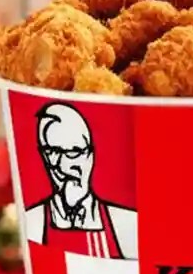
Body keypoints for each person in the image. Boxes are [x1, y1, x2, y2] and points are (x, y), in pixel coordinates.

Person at [24, 103, 137, 259]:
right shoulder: (33, 222)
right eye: (54, 152)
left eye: (74, 152)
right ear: (44, 155)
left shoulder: (126, 223)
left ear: (90, 156)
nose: (63, 164)